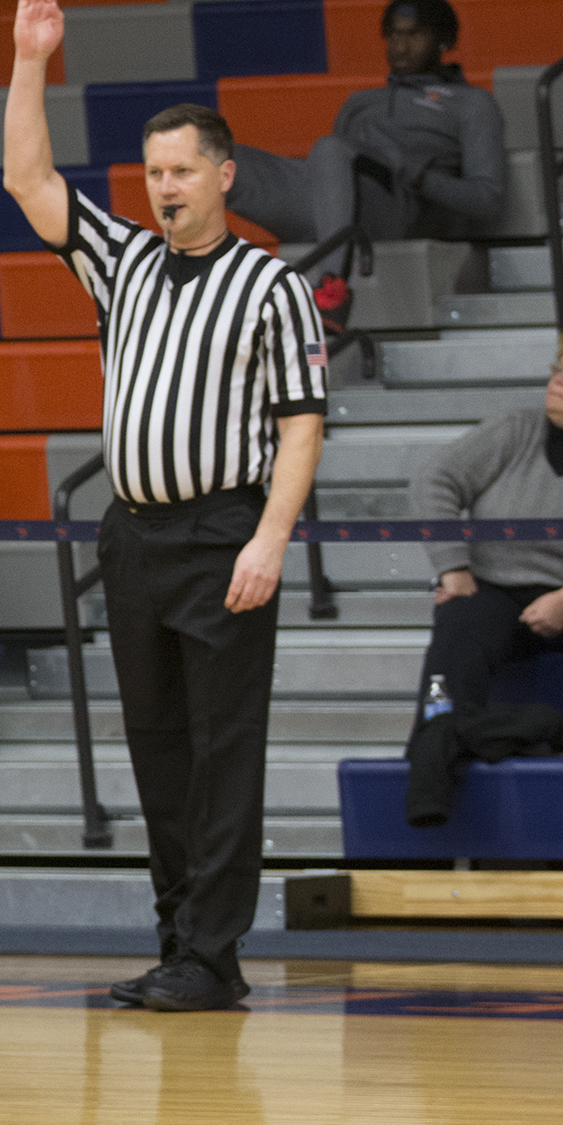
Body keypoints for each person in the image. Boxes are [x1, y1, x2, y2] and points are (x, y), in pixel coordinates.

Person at [5, 0, 328, 1012]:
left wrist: (270, 538)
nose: (163, 188)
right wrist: (26, 62)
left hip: (222, 530)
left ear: (223, 176)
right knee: (154, 747)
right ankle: (182, 946)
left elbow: (301, 424)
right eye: (152, 173)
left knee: (222, 753)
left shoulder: (269, 285)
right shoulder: (124, 263)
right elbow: (26, 179)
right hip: (134, 534)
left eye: (180, 171)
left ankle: (209, 950)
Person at [225, 0, 505, 321]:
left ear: (444, 40)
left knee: (330, 148)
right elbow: (333, 178)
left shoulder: (472, 103)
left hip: (399, 208)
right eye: (393, 35)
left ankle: (332, 287)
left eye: (415, 35)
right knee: (220, 157)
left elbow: (488, 200)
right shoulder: (360, 102)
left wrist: (415, 174)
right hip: (338, 207)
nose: (401, 46)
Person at [408, 346, 563, 719]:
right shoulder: (516, 430)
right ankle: (434, 753)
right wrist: (453, 568)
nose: (557, 382)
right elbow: (434, 480)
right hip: (493, 588)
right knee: (456, 635)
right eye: (556, 370)